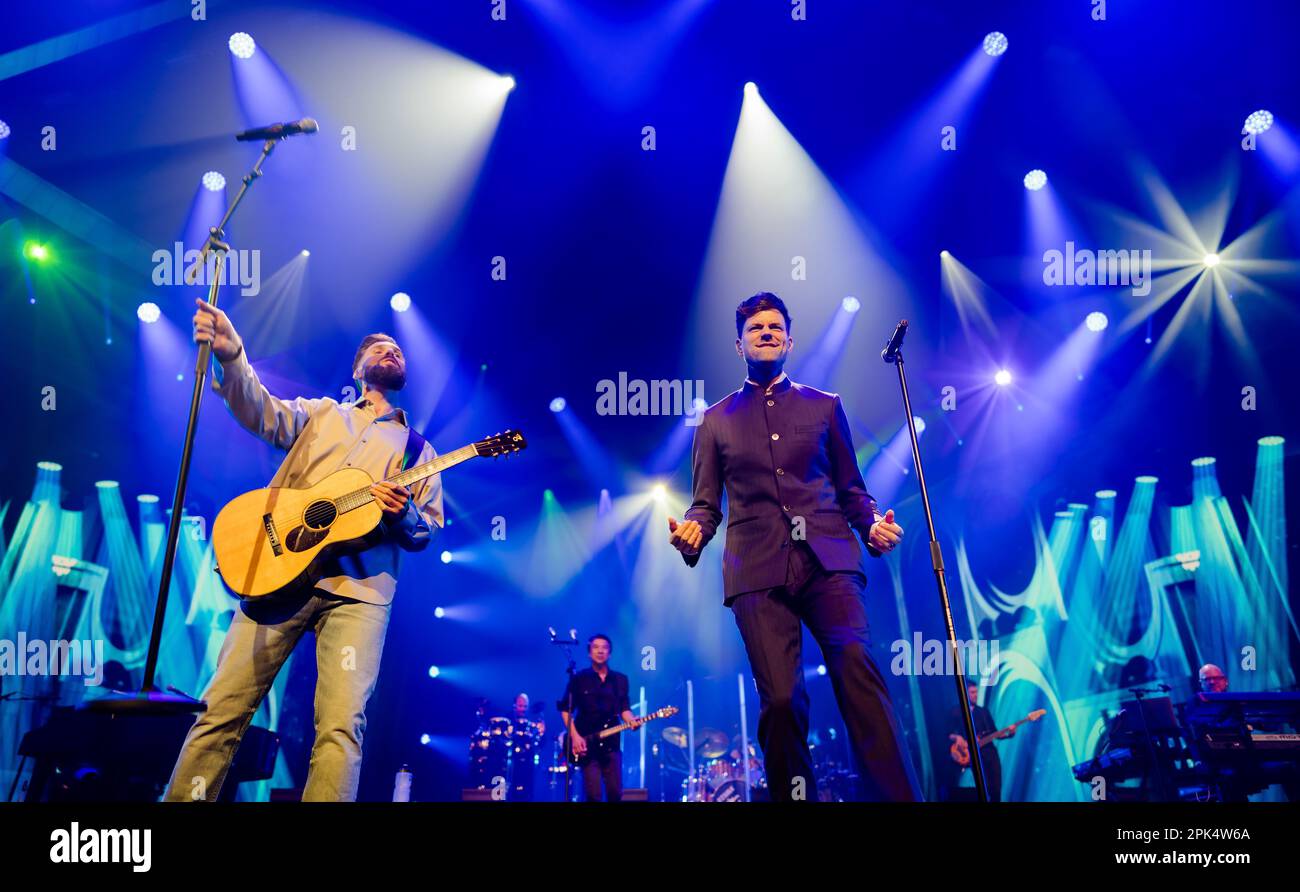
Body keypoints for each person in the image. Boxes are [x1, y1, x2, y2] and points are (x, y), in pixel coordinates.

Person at [164, 298, 442, 802]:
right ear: (359, 370)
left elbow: (426, 533)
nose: (393, 352)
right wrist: (232, 356)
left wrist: (403, 512)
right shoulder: (323, 414)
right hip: (277, 571)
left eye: (399, 350)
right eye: (382, 348)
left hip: (359, 594)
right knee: (220, 710)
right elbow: (260, 411)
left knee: (340, 729)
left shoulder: (419, 452)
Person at [668, 292, 921, 801]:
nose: (766, 332)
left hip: (830, 561)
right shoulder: (715, 420)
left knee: (857, 669)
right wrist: (692, 531)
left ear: (790, 339)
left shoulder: (825, 407)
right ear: (738, 344)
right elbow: (705, 504)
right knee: (782, 701)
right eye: (755, 327)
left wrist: (871, 524)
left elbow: (853, 490)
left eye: (775, 326)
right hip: (756, 570)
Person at [558, 635, 639, 801]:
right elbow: (566, 709)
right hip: (587, 744)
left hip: (612, 744)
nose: (600, 651)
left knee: (615, 793)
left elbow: (624, 709)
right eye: (596, 647)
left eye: (605, 647)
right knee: (593, 795)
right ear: (589, 653)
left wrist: (631, 720)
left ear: (609, 653)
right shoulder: (579, 679)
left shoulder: (620, 680)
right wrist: (575, 737)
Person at [946, 680, 1003, 802]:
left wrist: (1009, 733)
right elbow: (948, 734)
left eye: (976, 692)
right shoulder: (955, 712)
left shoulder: (983, 712)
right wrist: (958, 737)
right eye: (972, 692)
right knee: (982, 788)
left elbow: (995, 733)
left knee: (995, 789)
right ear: (965, 693)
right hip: (970, 756)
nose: (975, 695)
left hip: (989, 753)